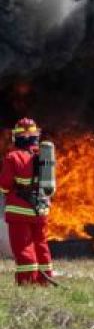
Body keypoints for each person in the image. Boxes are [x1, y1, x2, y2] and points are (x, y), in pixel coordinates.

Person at [0, 119, 53, 286]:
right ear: (36, 136)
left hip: (19, 212)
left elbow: (4, 185)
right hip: (41, 210)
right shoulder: (43, 156)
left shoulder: (13, 157)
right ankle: (45, 280)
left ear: (17, 137)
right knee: (41, 244)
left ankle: (27, 282)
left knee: (23, 247)